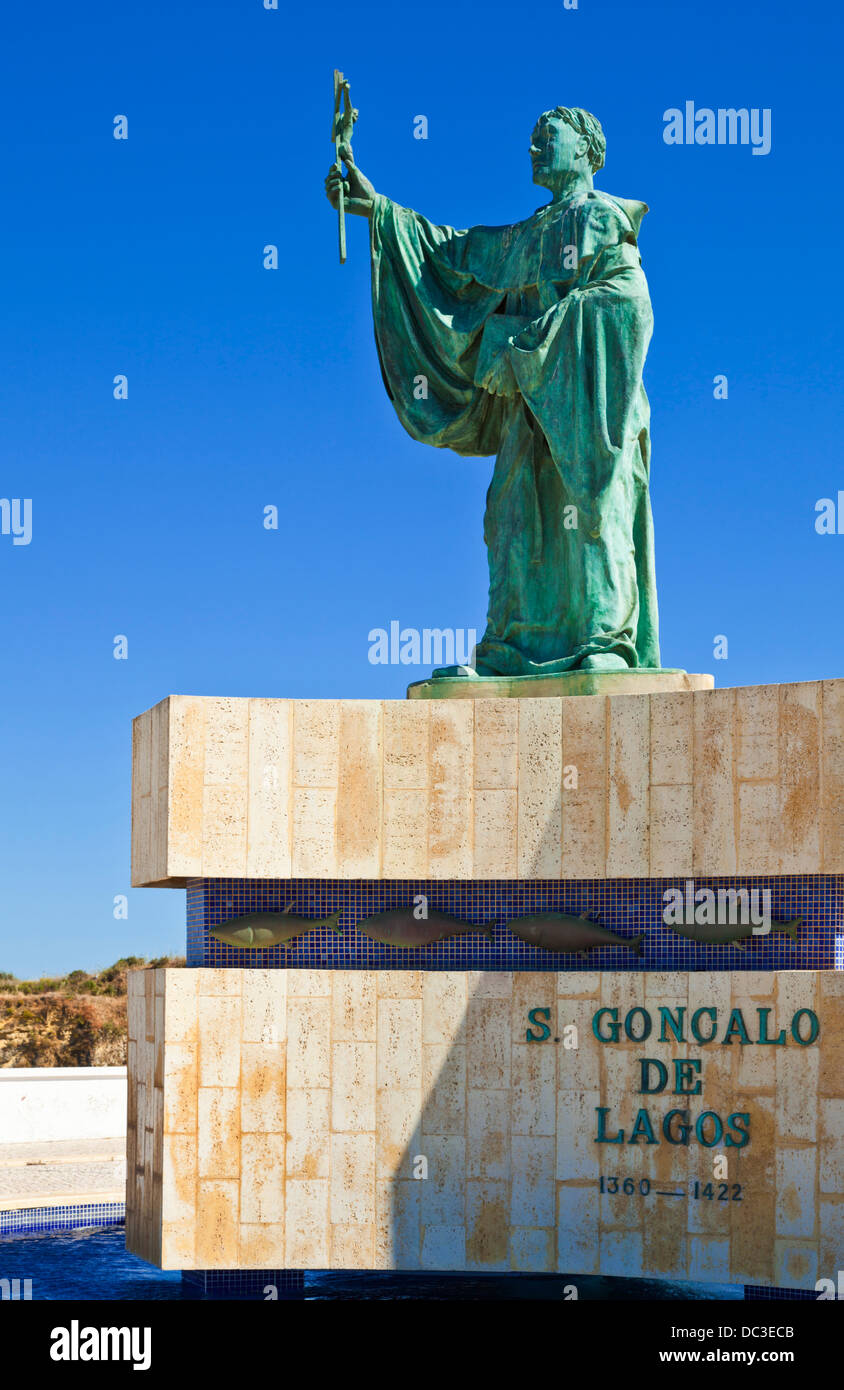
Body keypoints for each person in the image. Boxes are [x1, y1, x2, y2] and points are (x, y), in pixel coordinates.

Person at [325, 106, 661, 677]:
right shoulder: (528, 234)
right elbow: (450, 254)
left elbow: (629, 305)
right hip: (527, 415)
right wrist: (373, 208)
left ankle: (602, 640)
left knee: (591, 508)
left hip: (585, 408)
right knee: (511, 516)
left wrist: (526, 345)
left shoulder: (602, 219)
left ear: (585, 150)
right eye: (531, 139)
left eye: (546, 138)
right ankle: (510, 647)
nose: (533, 148)